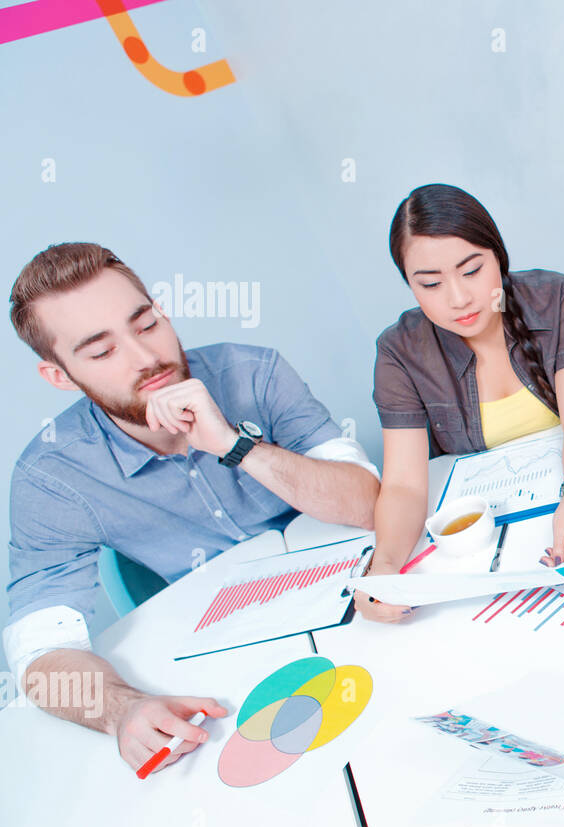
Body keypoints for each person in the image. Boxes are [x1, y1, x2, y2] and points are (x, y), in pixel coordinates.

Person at [4, 242, 380, 773]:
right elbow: (39, 655)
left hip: (359, 604)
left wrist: (234, 445)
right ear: (61, 376)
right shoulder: (53, 477)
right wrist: (121, 710)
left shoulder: (253, 372)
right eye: (101, 351)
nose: (146, 358)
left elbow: (367, 503)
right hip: (233, 665)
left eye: (145, 322)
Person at [354, 185, 564, 622]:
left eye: (471, 271)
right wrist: (385, 568)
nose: (458, 298)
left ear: (498, 256)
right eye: (430, 283)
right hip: (486, 542)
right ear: (409, 284)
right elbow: (404, 485)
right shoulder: (399, 351)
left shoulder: (555, 297)